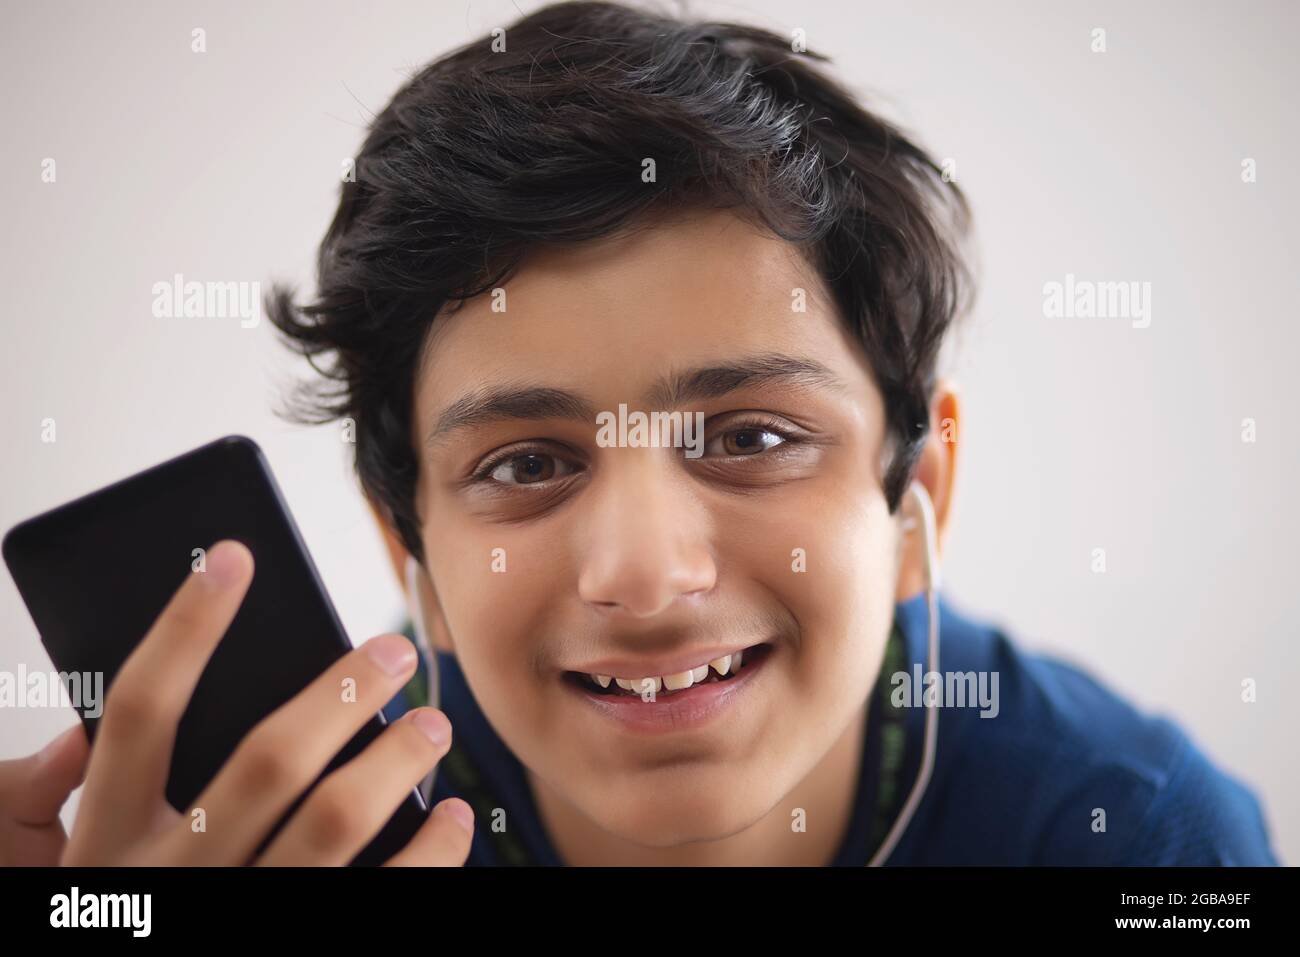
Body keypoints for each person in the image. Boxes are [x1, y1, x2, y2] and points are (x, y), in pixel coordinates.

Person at [0, 0, 1278, 866]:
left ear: (914, 501)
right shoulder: (294, 845)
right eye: (524, 464)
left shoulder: (1147, 842)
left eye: (753, 436)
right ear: (410, 553)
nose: (645, 575)